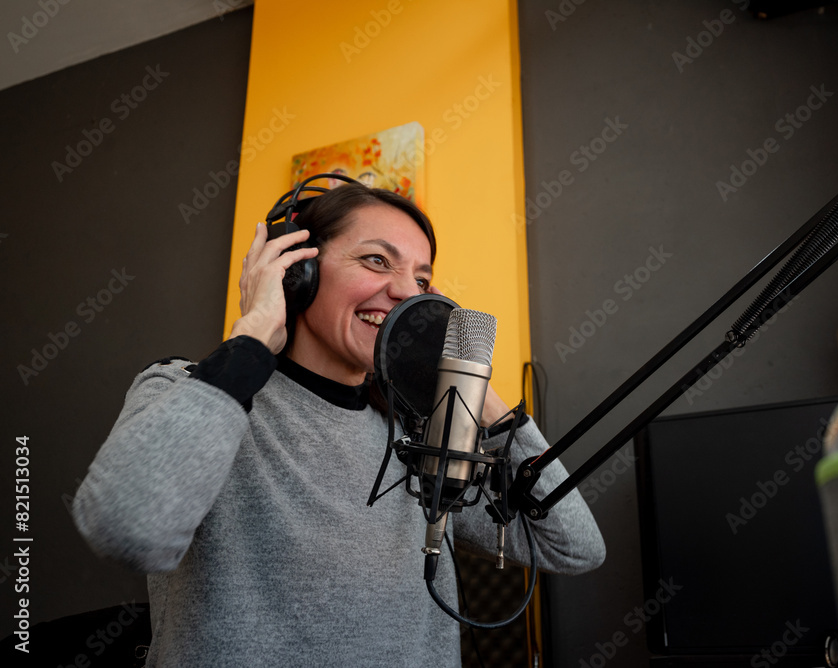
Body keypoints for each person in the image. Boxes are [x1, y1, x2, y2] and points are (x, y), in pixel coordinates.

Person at [72, 183, 606, 667]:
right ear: (297, 272)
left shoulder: (421, 437)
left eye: (422, 278)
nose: (407, 292)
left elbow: (572, 547)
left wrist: (477, 390)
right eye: (377, 260)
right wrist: (254, 334)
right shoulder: (192, 391)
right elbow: (127, 528)